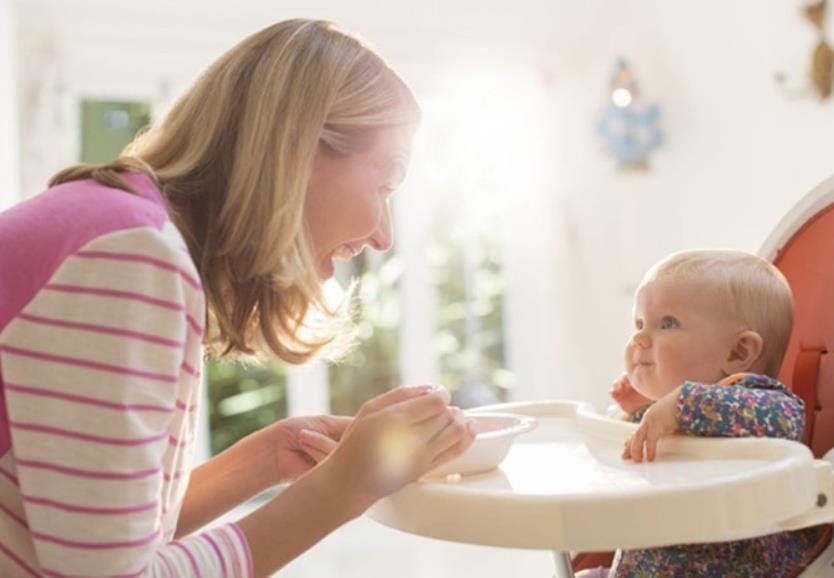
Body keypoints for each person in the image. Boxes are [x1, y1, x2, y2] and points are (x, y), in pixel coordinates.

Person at [0, 19, 476, 577]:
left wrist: (265, 458)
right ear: (297, 148)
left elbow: (100, 543)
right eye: (384, 184)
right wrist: (341, 490)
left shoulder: (124, 228)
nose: (382, 236)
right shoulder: (131, 254)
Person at [578, 249, 823, 578]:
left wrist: (682, 404)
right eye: (639, 323)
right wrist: (636, 414)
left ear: (738, 352)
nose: (638, 337)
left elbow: (786, 421)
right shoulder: (666, 415)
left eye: (667, 324)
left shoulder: (759, 401)